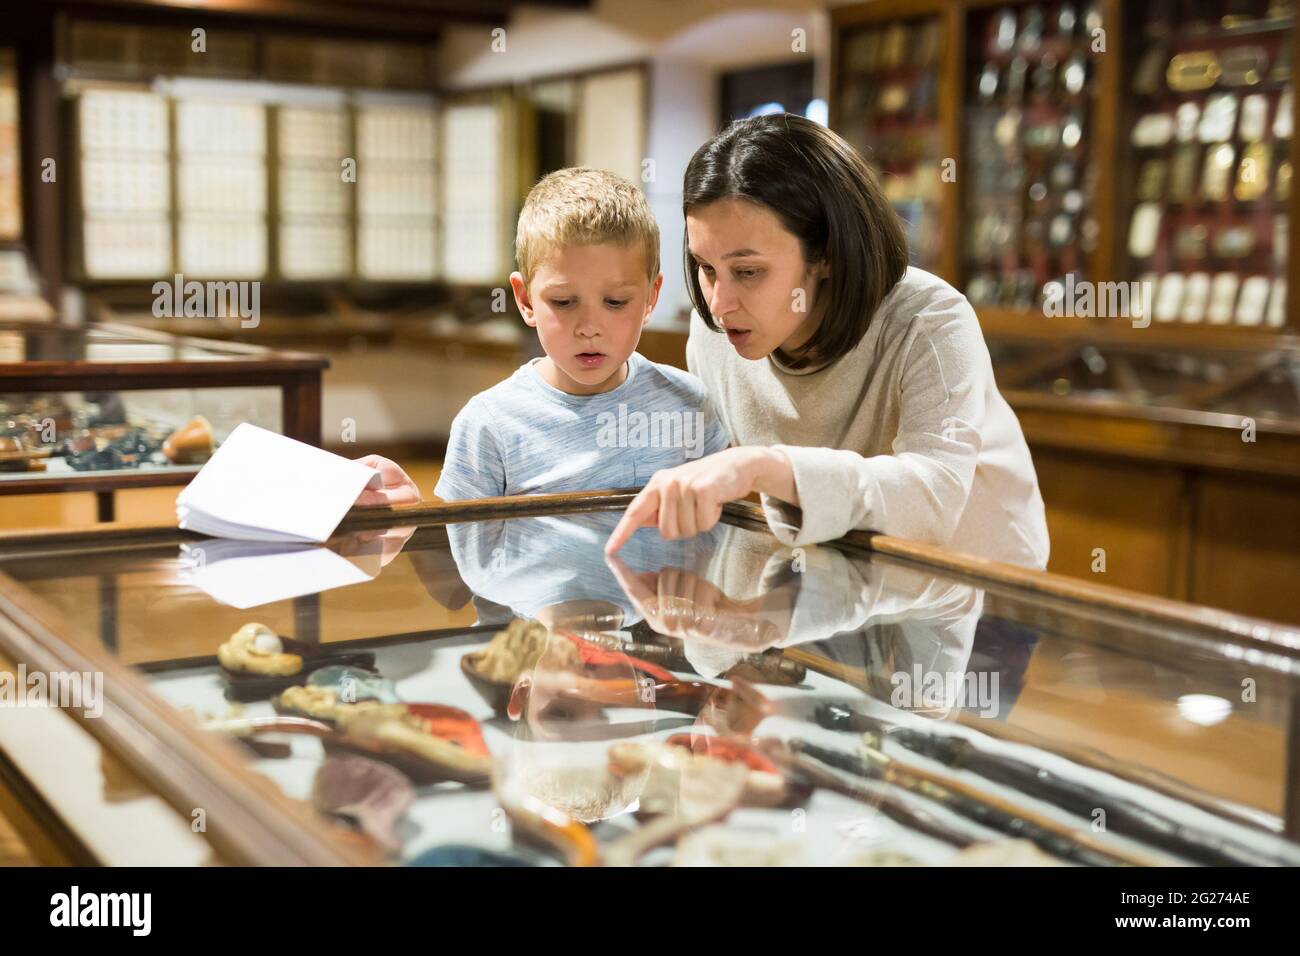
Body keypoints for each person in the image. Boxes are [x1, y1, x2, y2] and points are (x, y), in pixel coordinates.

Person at [604, 114, 1049, 569]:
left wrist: (763, 467)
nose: (719, 303)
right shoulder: (713, 335)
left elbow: (931, 500)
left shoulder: (931, 320)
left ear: (828, 255)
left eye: (748, 271)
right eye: (707, 267)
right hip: (842, 579)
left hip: (981, 589)